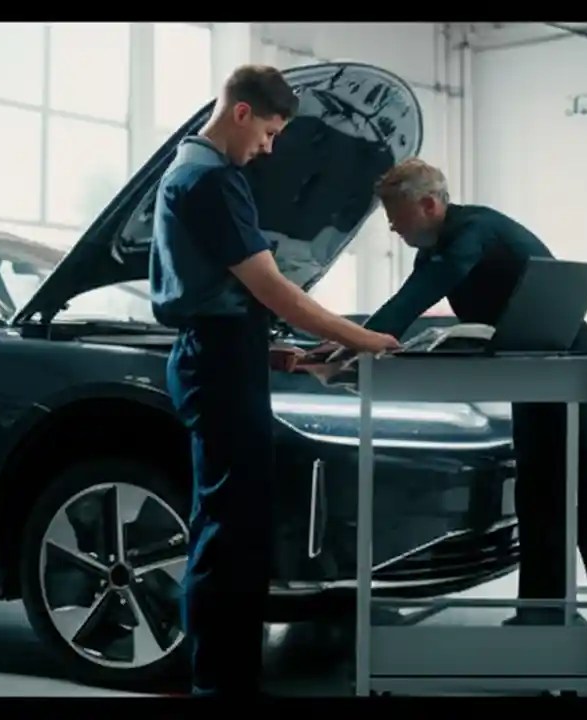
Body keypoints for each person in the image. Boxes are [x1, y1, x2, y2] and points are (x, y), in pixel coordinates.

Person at [322, 157, 587, 696]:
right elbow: (410, 301)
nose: (391, 227)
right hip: (535, 377)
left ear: (429, 204)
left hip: (578, 374)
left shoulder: (474, 231)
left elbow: (418, 296)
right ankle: (541, 627)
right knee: (538, 503)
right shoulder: (437, 247)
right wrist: (350, 340)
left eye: (396, 215)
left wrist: (354, 340)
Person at [151, 64, 401, 697]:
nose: (268, 148)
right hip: (218, 363)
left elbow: (219, 292)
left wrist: (272, 352)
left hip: (221, 355)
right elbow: (271, 286)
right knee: (228, 533)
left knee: (228, 524)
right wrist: (362, 337)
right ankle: (222, 685)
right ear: (241, 113)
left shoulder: (189, 171)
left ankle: (227, 678)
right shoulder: (210, 179)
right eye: (268, 132)